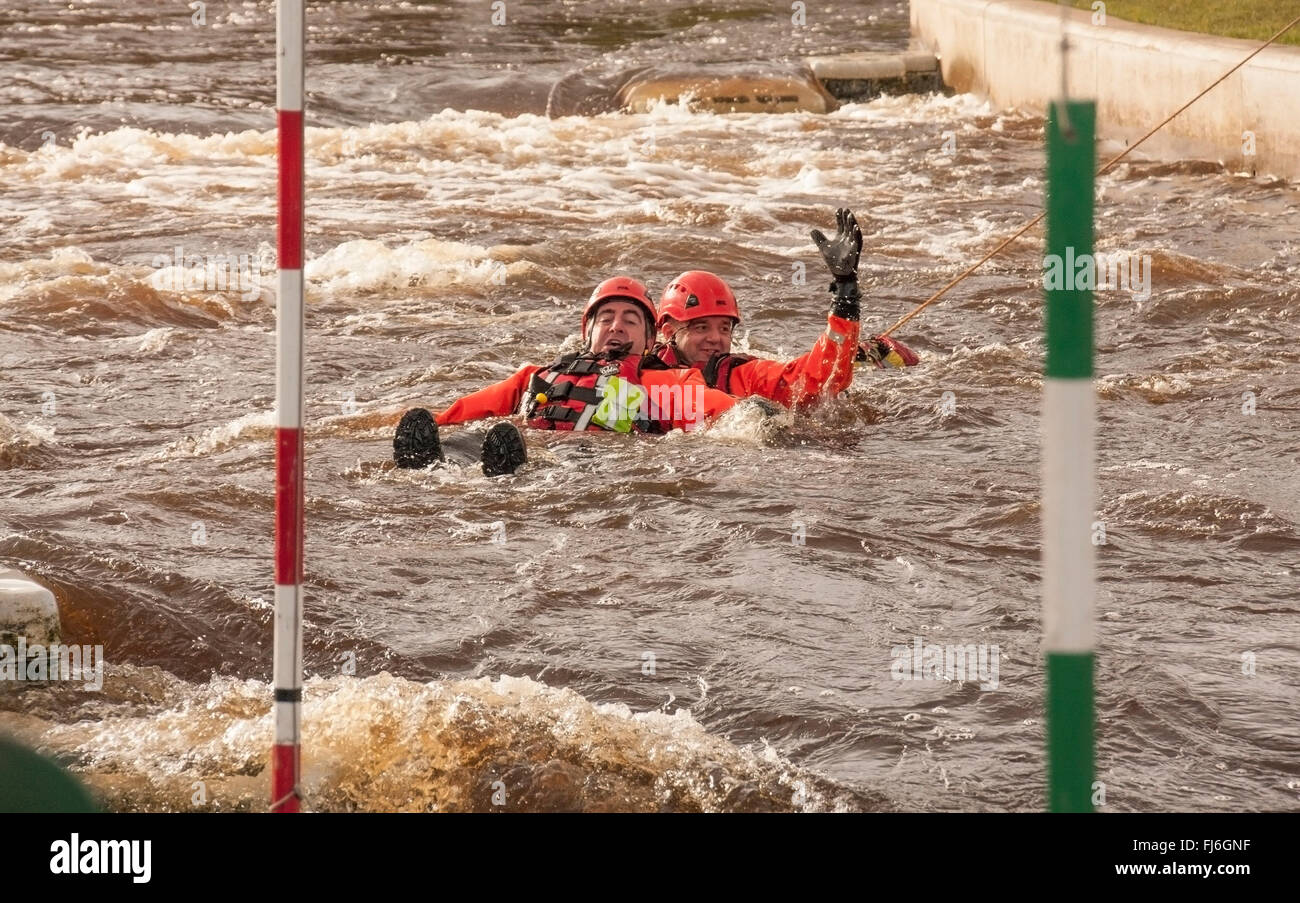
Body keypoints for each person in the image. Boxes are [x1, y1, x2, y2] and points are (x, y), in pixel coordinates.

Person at [393, 276, 737, 475]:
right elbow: (461, 413)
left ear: (649, 340)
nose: (616, 326)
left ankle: (508, 470)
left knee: (544, 461)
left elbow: (727, 414)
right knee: (465, 443)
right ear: (587, 332)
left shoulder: (663, 383)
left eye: (630, 320)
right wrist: (432, 424)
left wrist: (762, 418)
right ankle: (431, 460)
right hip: (528, 439)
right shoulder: (537, 375)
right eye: (606, 319)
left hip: (588, 453)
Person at [652, 208, 918, 408]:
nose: (715, 338)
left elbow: (813, 381)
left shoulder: (745, 377)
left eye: (724, 327)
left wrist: (846, 294)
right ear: (668, 330)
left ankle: (868, 354)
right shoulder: (643, 371)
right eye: (701, 327)